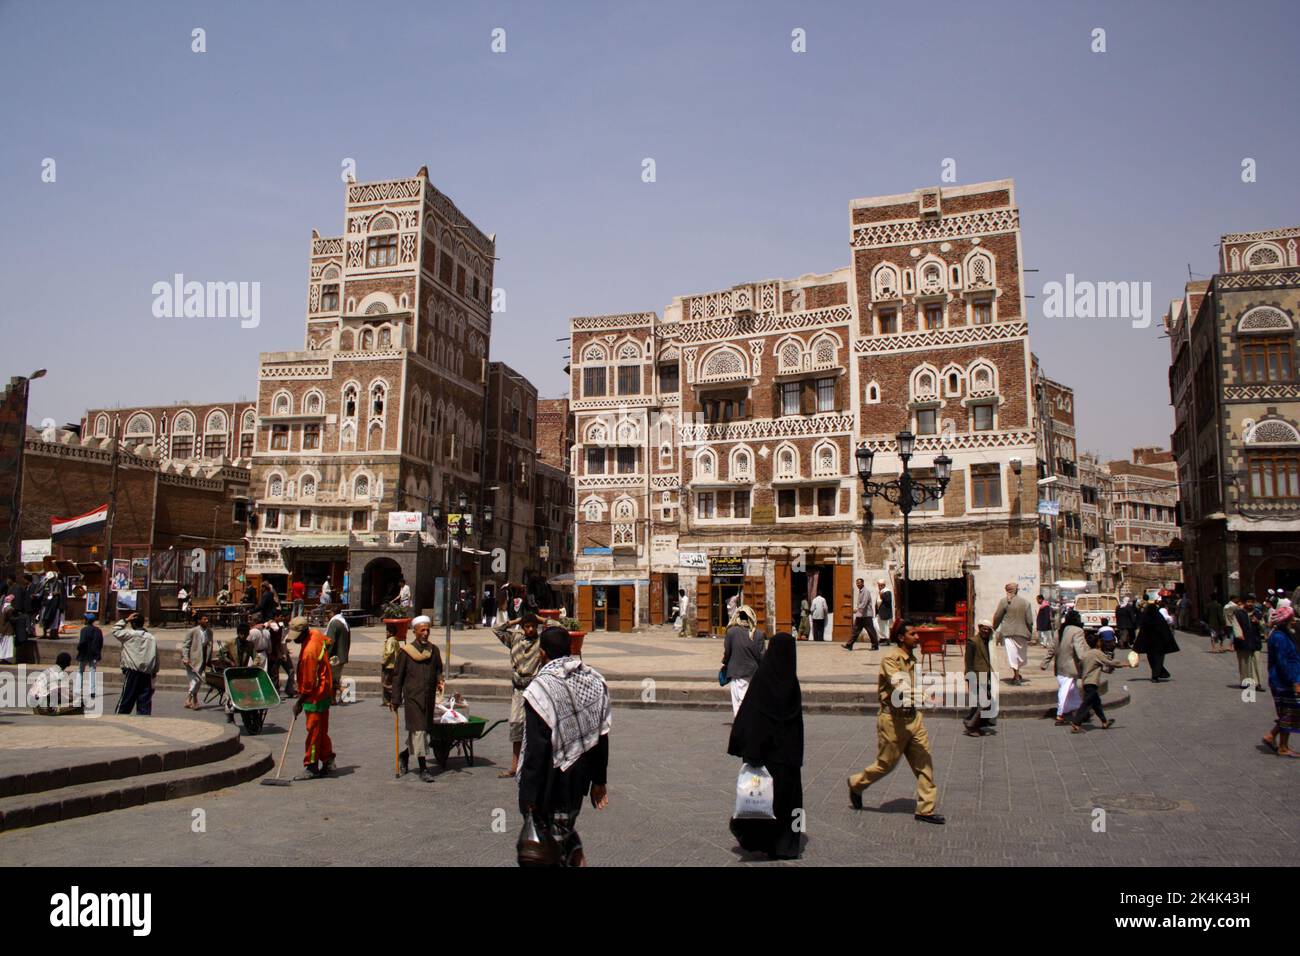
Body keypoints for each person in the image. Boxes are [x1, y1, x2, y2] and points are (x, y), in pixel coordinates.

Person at [517, 626, 611, 867]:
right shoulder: (593, 680)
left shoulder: (540, 689)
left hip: (552, 779)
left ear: (542, 653)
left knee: (552, 840)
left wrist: (528, 796)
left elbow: (536, 751)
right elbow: (601, 735)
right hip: (580, 776)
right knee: (564, 828)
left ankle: (575, 858)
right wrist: (599, 781)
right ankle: (576, 857)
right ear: (570, 648)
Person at [847, 619, 944, 824]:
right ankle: (856, 784)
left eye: (917, 634)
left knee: (924, 764)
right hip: (892, 720)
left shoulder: (912, 658)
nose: (918, 637)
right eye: (913, 634)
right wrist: (924, 696)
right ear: (901, 638)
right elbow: (899, 684)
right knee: (885, 765)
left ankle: (925, 810)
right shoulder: (890, 659)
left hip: (913, 718)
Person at [727, 632, 803, 859]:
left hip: (766, 757)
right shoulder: (792, 683)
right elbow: (797, 726)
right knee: (787, 802)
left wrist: (750, 751)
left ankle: (763, 841)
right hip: (788, 759)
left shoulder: (762, 680)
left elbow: (750, 718)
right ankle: (786, 845)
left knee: (764, 801)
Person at [391, 615, 443, 781]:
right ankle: (423, 768)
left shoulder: (434, 650)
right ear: (415, 632)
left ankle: (405, 754)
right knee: (419, 731)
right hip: (413, 698)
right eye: (422, 630)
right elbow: (398, 677)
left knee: (423, 731)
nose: (426, 633)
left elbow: (438, 670)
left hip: (429, 697)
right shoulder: (406, 652)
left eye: (428, 630)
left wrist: (440, 681)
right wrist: (395, 699)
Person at [495, 612, 543, 778]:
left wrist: (540, 618)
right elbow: (497, 629)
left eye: (533, 626)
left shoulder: (541, 641)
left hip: (535, 690)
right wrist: (516, 620)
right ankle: (514, 766)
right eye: (527, 626)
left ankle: (534, 765)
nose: (530, 629)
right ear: (523, 628)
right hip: (518, 689)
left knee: (535, 729)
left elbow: (560, 627)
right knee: (516, 726)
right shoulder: (515, 639)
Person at [290, 616, 336, 779]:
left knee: (314, 733)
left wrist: (299, 702)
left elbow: (309, 684)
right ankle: (328, 759)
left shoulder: (309, 653)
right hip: (324, 692)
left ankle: (311, 765)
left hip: (315, 696)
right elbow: (328, 641)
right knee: (322, 730)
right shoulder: (316, 634)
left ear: (304, 632)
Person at [1070, 630, 1134, 732]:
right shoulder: (1097, 653)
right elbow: (1110, 662)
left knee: (1096, 704)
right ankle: (1076, 723)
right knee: (1086, 703)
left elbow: (1091, 668)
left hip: (1086, 682)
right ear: (1098, 643)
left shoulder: (1085, 655)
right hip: (1092, 682)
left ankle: (1104, 722)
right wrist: (1125, 664)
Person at [1262, 605, 1300, 757]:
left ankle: (1272, 736)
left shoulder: (1285, 634)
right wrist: (1294, 681)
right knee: (1289, 712)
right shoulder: (1279, 637)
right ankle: (1282, 745)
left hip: (1286, 680)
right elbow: (1283, 662)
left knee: (1289, 712)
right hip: (1283, 682)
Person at [1041, 607, 1087, 725]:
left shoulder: (1059, 630)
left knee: (1072, 690)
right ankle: (1060, 714)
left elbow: (1051, 649)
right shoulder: (1078, 631)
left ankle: (1079, 711)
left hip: (1059, 667)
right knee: (1066, 691)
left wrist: (1044, 663)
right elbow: (1079, 651)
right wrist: (1086, 662)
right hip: (1070, 667)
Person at [722, 605, 766, 716]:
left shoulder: (731, 632)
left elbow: (727, 652)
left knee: (739, 700)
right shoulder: (758, 634)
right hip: (753, 672)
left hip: (737, 671)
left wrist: (726, 662)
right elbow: (762, 656)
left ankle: (742, 723)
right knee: (747, 697)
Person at [113, 612, 159, 716]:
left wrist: (125, 620)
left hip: (132, 672)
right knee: (144, 702)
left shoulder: (129, 634)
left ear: (132, 624)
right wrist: (155, 671)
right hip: (147, 673)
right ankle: (144, 721)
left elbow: (115, 630)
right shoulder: (151, 637)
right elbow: (156, 656)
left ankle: (119, 719)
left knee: (126, 700)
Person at [993, 581, 1035, 685]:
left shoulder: (1004, 602)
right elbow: (1029, 621)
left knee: (1012, 655)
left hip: (1009, 633)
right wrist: (1030, 632)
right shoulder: (1026, 603)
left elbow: (997, 616)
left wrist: (993, 627)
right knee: (1020, 655)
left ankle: (1016, 675)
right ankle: (1017, 674)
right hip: (1022, 633)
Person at [963, 620, 996, 736]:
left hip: (985, 676)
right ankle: (971, 725)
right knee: (983, 702)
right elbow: (969, 662)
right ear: (980, 628)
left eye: (988, 629)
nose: (986, 631)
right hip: (975, 675)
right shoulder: (973, 642)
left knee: (979, 703)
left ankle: (973, 723)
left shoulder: (989, 642)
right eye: (984, 628)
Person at [1135, 599, 1179, 683]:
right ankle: (1158, 674)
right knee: (1158, 660)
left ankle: (1156, 675)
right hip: (1160, 645)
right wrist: (1168, 642)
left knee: (1152, 660)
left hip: (1149, 645)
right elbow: (1166, 632)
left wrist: (1138, 645)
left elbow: (1142, 633)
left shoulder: (1146, 620)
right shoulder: (1160, 619)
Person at [1231, 595, 1265, 690]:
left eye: (1252, 602)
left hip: (1255, 641)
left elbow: (1264, 627)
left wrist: (1258, 622)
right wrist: (1239, 635)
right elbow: (1235, 625)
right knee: (1244, 663)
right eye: (1248, 602)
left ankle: (1257, 683)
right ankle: (1244, 682)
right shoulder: (1238, 613)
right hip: (1242, 642)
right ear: (1244, 602)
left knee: (1256, 663)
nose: (1250, 604)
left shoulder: (1257, 613)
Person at [181, 613, 212, 710]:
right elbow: (186, 645)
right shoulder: (192, 631)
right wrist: (185, 657)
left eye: (207, 619)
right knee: (196, 680)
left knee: (197, 681)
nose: (206, 621)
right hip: (193, 659)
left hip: (203, 659)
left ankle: (191, 699)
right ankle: (193, 699)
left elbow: (209, 646)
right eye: (204, 619)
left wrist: (208, 659)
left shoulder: (210, 632)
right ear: (199, 621)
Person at [327, 607, 351, 705]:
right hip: (342, 656)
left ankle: (342, 689)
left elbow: (330, 641)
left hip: (334, 657)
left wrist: (326, 655)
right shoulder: (344, 623)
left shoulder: (334, 623)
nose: (327, 615)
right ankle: (332, 700)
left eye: (329, 613)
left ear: (333, 612)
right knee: (335, 678)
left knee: (330, 679)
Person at [846, 578, 877, 651]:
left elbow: (864, 602)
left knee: (870, 631)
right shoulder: (861, 591)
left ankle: (875, 645)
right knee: (856, 630)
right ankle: (849, 645)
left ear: (863, 583)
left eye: (859, 583)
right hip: (860, 615)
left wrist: (857, 609)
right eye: (857, 583)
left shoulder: (865, 591)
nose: (858, 585)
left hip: (866, 615)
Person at [75, 614, 102, 699]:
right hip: (94, 654)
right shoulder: (98, 630)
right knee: (92, 671)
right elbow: (100, 643)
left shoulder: (84, 630)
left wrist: (79, 649)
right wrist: (98, 653)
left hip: (84, 653)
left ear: (87, 621)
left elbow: (82, 642)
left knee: (80, 671)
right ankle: (92, 691)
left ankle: (78, 690)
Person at [39, 571, 66, 638]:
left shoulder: (59, 583)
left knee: (55, 619)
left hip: (55, 605)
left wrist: (56, 594)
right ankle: (44, 634)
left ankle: (54, 634)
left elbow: (62, 594)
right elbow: (42, 592)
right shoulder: (46, 583)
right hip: (46, 603)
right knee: (44, 618)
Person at [380, 621, 400, 706]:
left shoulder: (390, 641)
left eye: (387, 632)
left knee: (386, 683)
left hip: (388, 665)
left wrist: (383, 662)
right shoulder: (396, 640)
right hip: (394, 665)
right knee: (391, 682)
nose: (386, 633)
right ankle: (391, 699)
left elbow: (388, 652)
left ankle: (389, 700)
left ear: (390, 633)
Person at [0, 593, 17, 664]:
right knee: (8, 644)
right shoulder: (10, 609)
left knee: (2, 644)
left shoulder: (2, 607)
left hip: (2, 628)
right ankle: (6, 659)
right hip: (8, 629)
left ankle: (2, 657)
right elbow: (12, 619)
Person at [875, 579, 894, 644]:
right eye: (879, 585)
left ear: (884, 585)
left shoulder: (887, 591)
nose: (879, 587)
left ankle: (887, 639)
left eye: (881, 585)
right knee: (879, 625)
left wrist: (881, 595)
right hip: (880, 612)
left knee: (885, 626)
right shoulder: (881, 591)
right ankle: (882, 638)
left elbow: (888, 601)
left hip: (885, 613)